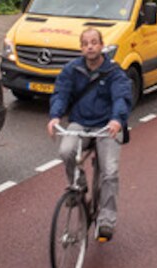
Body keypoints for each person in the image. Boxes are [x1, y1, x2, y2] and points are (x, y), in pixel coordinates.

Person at [46, 28, 131, 243]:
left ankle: (106, 220)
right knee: (66, 150)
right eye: (85, 43)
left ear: (101, 45)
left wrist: (116, 120)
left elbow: (121, 97)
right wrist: (55, 117)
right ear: (81, 48)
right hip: (81, 123)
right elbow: (61, 93)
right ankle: (79, 186)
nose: (90, 46)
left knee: (109, 171)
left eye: (94, 42)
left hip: (106, 126)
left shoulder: (114, 72)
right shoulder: (71, 69)